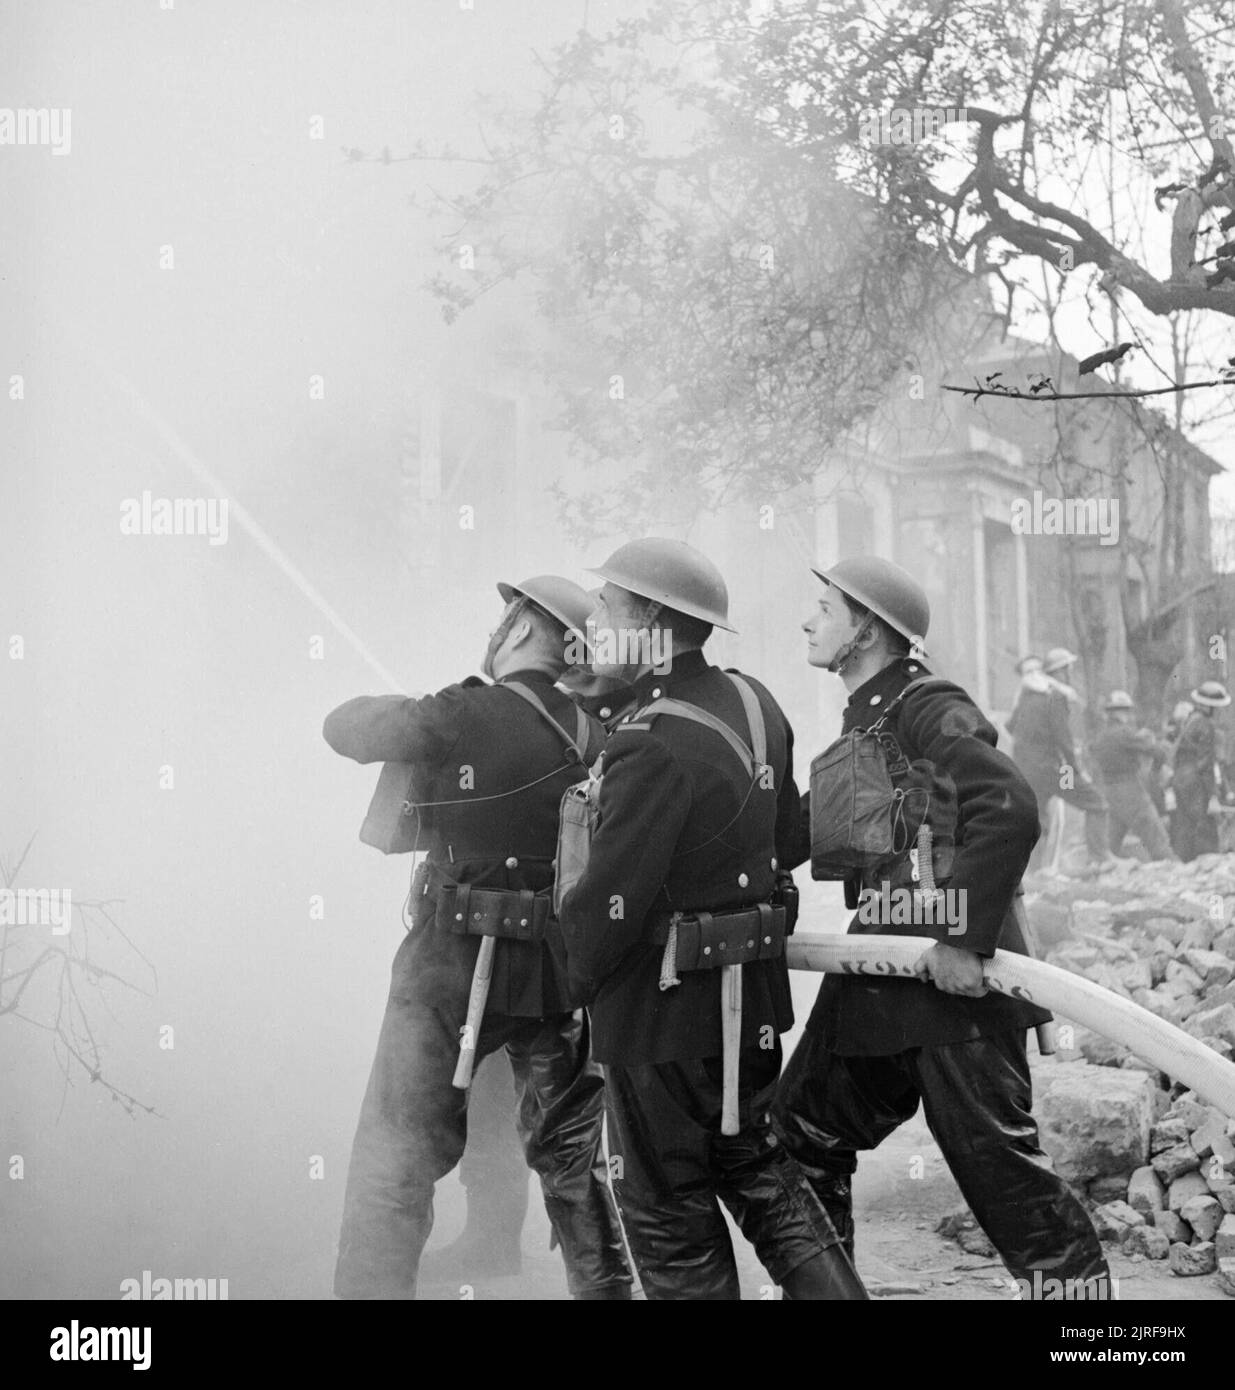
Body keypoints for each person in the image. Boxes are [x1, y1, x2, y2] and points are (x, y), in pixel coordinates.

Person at [773, 556, 1110, 1299]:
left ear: (865, 627)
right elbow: (807, 827)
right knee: (801, 1135)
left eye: (823, 609)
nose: (807, 620)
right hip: (882, 971)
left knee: (1003, 1178)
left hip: (950, 986)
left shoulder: (928, 704)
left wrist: (962, 937)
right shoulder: (867, 716)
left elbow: (1009, 807)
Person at [559, 537, 866, 1301]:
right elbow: (779, 839)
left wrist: (563, 982)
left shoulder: (649, 743)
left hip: (661, 1020)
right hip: (749, 1004)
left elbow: (607, 909)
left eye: (605, 606)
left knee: (667, 1217)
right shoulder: (754, 702)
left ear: (650, 622)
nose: (592, 619)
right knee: (760, 1176)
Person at [326, 575, 631, 1300]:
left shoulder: (458, 711)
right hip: (552, 972)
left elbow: (343, 729)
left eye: (507, 619)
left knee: (396, 1149)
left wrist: (411, 706)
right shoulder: (599, 732)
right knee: (571, 1161)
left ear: (523, 629)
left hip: (448, 967)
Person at [1006, 646, 1113, 873]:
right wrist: (1076, 769)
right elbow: (1062, 738)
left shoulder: (1025, 697)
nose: (1070, 674)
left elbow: (1010, 728)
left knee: (1037, 821)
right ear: (1060, 672)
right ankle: (1100, 860)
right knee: (1096, 803)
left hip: (1026, 773)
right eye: (1068, 670)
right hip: (1054, 771)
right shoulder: (1055, 696)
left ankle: (1031, 874)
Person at [1090, 691, 1175, 861]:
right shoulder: (1125, 733)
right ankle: (1175, 875)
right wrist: (1156, 771)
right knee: (1157, 839)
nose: (1128, 715)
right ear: (1122, 712)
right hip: (1130, 791)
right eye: (1127, 711)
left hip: (1108, 792)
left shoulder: (1100, 737)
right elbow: (1158, 753)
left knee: (1110, 845)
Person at [1171, 680, 1233, 861]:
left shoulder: (1190, 720)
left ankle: (1184, 865)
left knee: (1185, 826)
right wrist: (1213, 796)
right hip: (1195, 780)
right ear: (1210, 707)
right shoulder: (1206, 726)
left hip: (1181, 778)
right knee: (1206, 825)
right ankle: (1209, 863)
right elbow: (1206, 765)